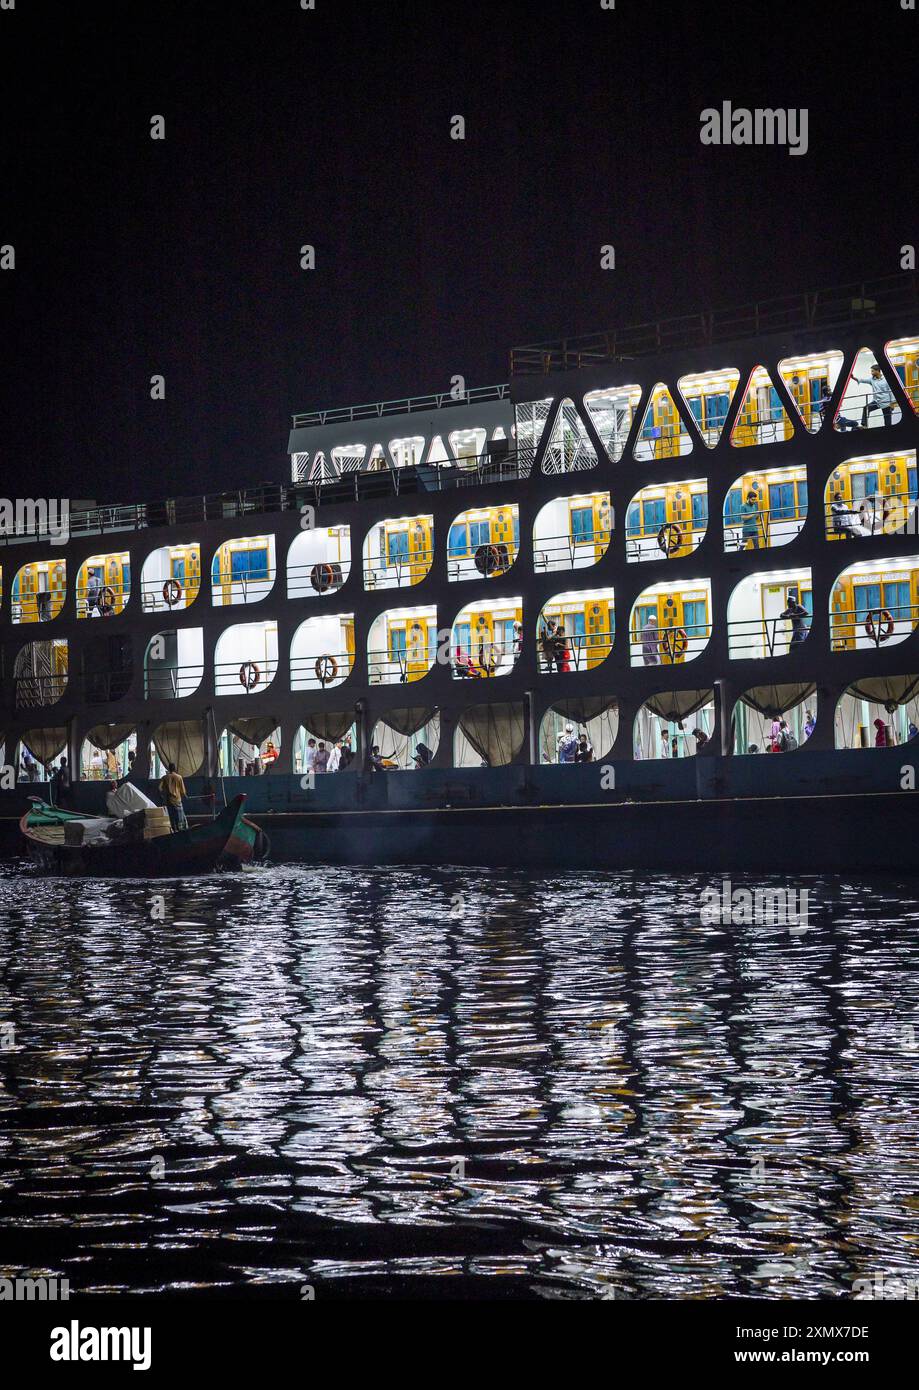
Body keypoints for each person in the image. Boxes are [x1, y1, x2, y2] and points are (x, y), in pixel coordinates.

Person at [856, 363, 895, 429]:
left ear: (878, 371)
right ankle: (864, 425)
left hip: (886, 403)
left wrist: (892, 403)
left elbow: (891, 391)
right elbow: (863, 380)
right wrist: (854, 378)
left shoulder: (886, 379)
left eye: (872, 371)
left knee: (887, 422)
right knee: (866, 408)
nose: (871, 372)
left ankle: (889, 434)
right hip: (877, 402)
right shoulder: (872, 379)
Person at [159, 761, 188, 831]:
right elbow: (183, 791)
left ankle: (173, 831)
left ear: (169, 769)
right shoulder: (179, 777)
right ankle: (180, 833)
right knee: (180, 819)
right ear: (175, 769)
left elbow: (159, 788)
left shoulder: (164, 777)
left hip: (169, 801)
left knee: (171, 818)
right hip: (177, 801)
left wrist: (163, 795)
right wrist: (185, 795)